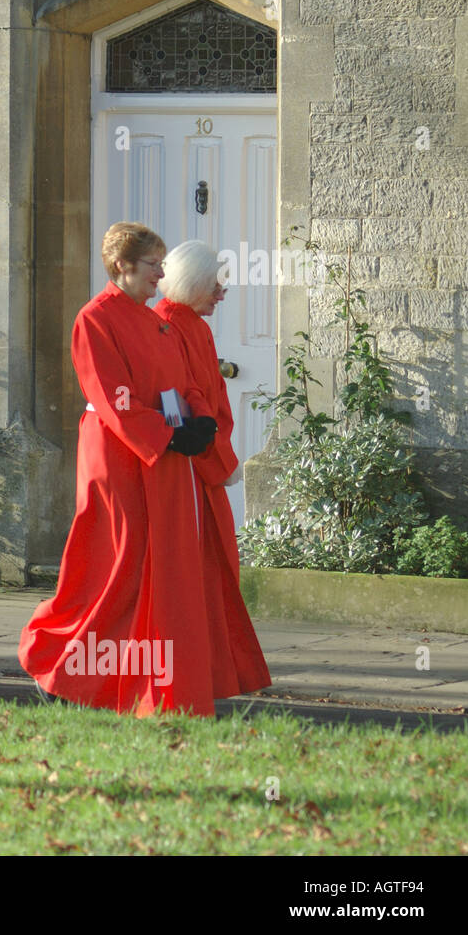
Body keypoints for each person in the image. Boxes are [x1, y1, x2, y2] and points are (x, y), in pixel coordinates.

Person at [17, 222, 225, 715]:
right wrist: (169, 433)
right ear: (122, 266)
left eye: (160, 263)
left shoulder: (159, 322)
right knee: (114, 566)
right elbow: (111, 397)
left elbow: (185, 381)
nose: (161, 273)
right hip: (118, 457)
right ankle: (58, 665)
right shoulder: (96, 318)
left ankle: (128, 683)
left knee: (149, 571)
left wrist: (202, 419)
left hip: (161, 458)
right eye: (153, 264)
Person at [155, 240, 271, 697]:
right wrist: (212, 458)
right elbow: (177, 400)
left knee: (217, 564)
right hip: (190, 465)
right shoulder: (168, 324)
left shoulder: (192, 325)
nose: (222, 294)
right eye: (215, 286)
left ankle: (215, 668)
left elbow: (206, 397)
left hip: (206, 460)